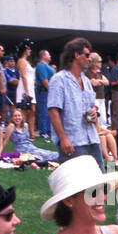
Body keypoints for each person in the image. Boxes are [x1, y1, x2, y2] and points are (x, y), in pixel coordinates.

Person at [47, 37, 103, 168]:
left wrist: (94, 113)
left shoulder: (87, 81)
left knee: (99, 184)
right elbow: (53, 111)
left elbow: (91, 106)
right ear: (77, 55)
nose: (90, 59)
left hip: (92, 139)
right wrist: (63, 138)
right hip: (73, 142)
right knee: (78, 186)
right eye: (87, 55)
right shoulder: (59, 80)